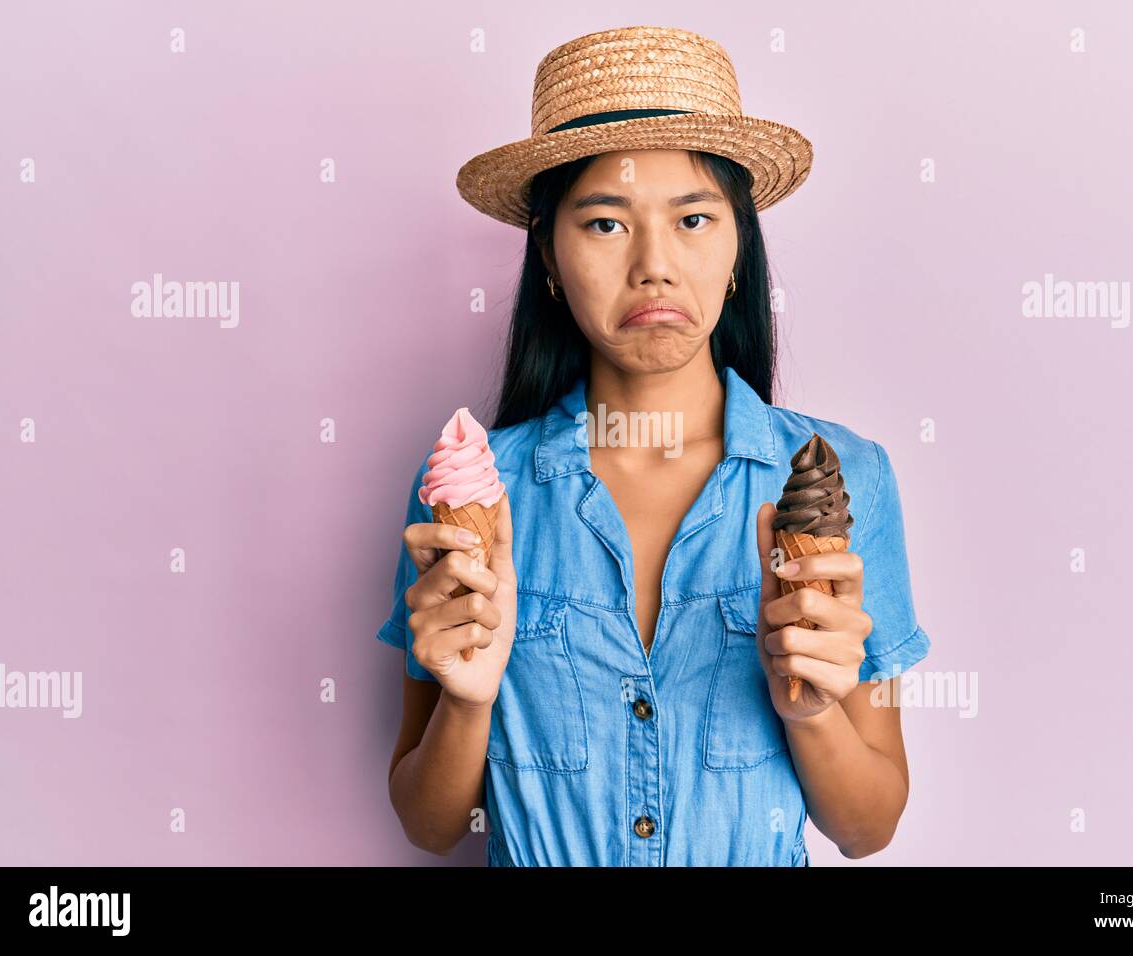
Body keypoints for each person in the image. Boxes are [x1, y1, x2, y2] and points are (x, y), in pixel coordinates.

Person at [376, 25, 931, 866]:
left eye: (695, 219)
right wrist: (468, 699)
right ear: (550, 258)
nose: (655, 266)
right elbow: (429, 822)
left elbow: (869, 825)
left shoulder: (847, 479)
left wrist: (812, 708)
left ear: (739, 249)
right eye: (604, 223)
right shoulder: (474, 489)